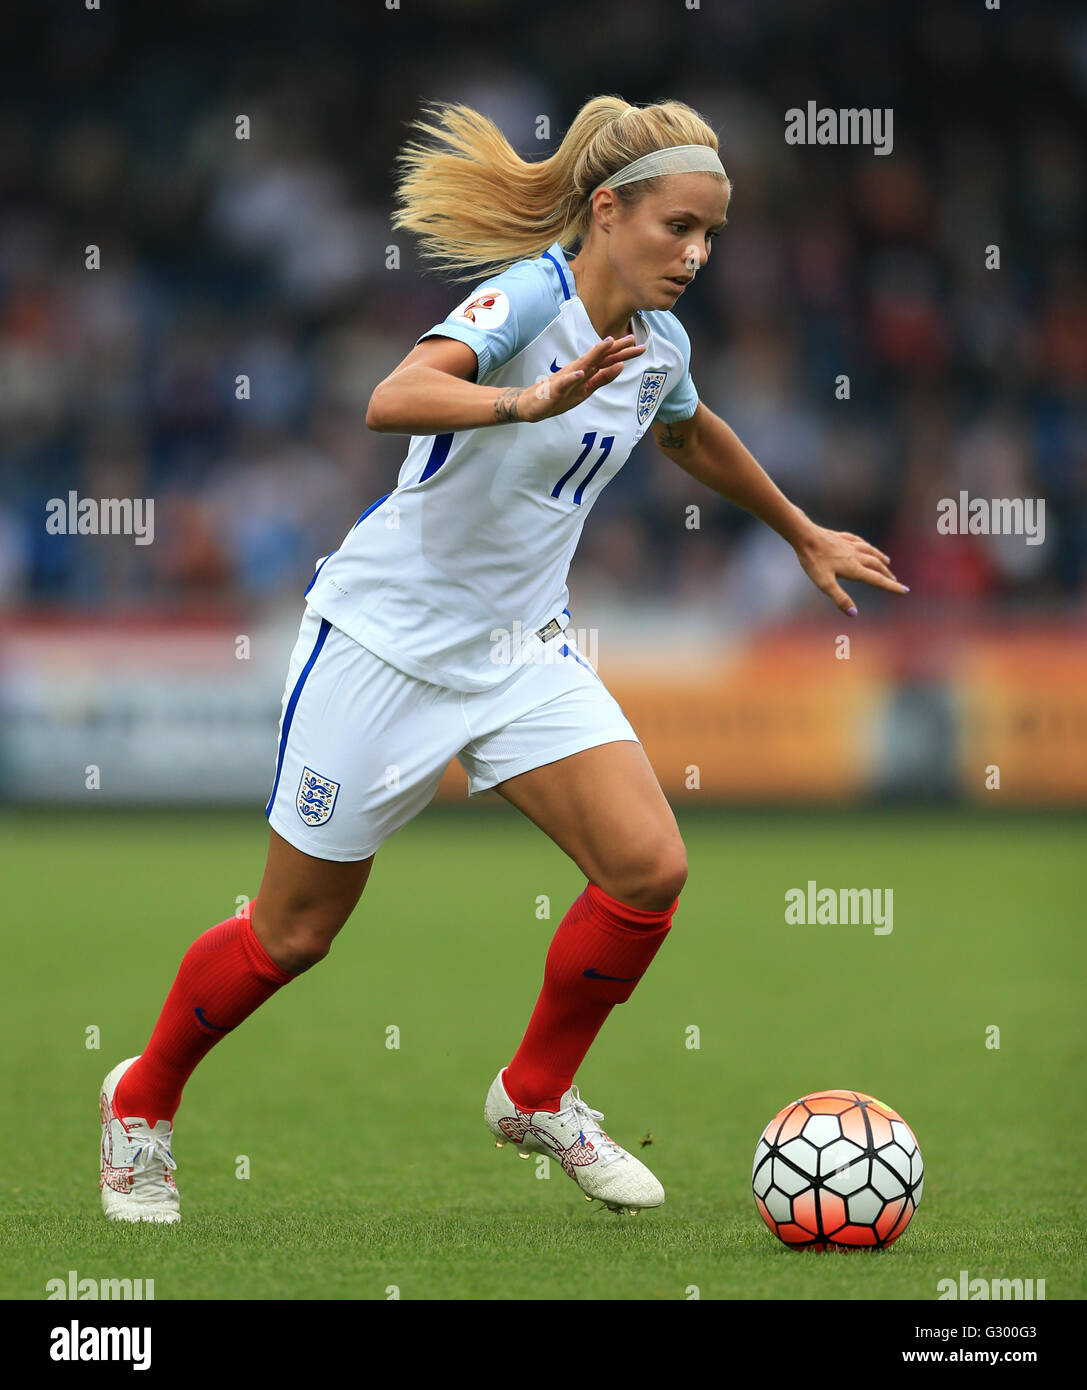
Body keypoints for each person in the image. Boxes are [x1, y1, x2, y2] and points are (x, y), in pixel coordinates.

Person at [99, 95, 906, 1223]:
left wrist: (800, 527)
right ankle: (140, 1097)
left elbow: (686, 430)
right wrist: (525, 396)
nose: (697, 254)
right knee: (292, 934)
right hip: (382, 642)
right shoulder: (529, 298)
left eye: (710, 235)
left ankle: (535, 1092)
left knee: (647, 869)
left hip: (519, 648)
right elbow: (394, 394)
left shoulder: (659, 344)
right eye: (678, 227)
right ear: (609, 209)